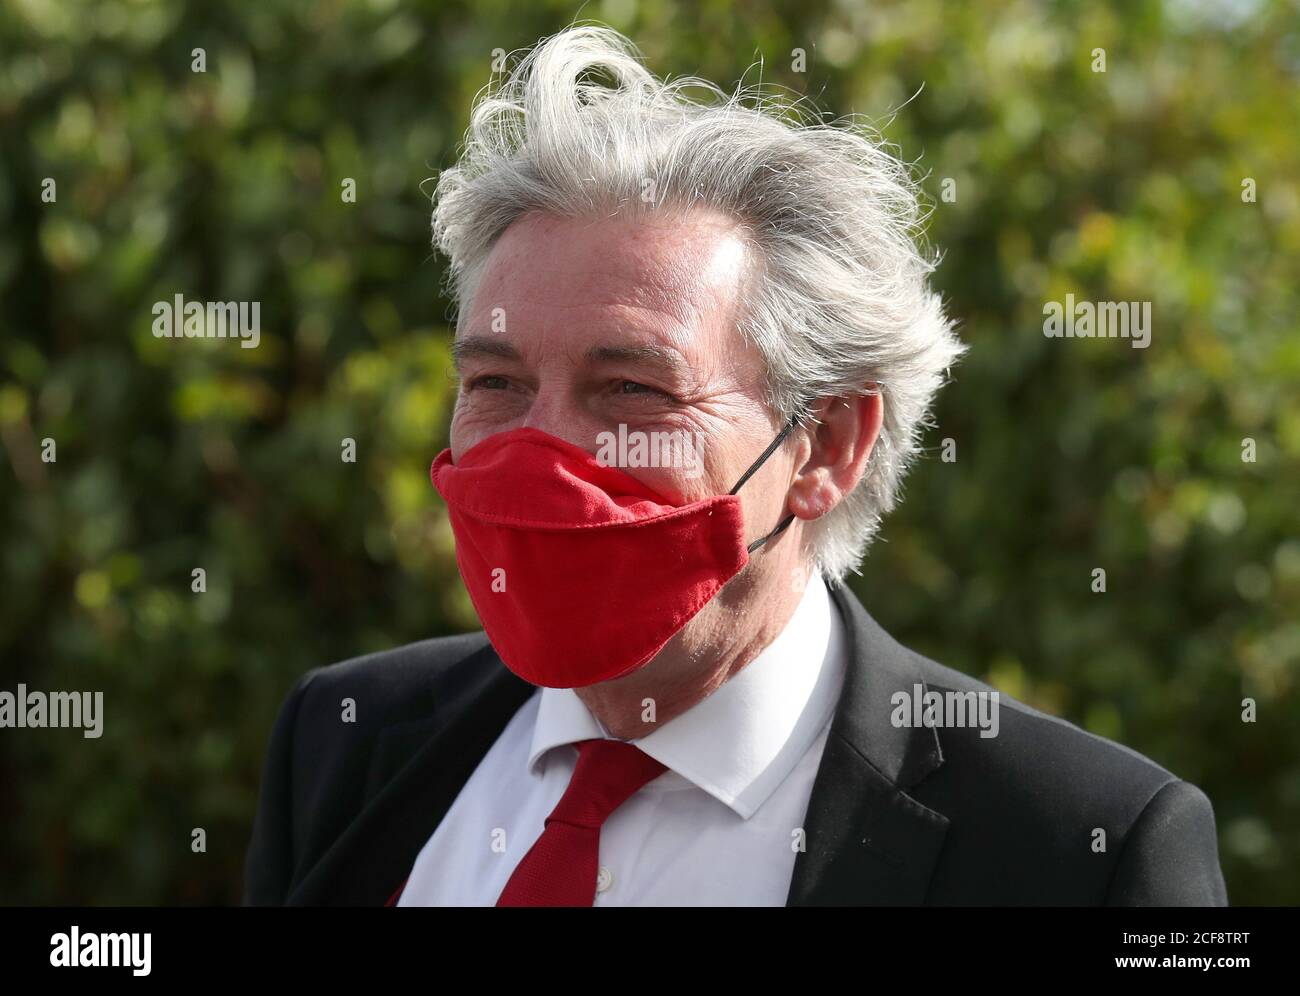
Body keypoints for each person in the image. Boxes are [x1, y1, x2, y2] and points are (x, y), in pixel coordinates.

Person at [243, 24, 1227, 906]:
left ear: (825, 443)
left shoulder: (1077, 853)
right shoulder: (350, 738)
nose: (543, 452)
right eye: (495, 384)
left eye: (631, 390)